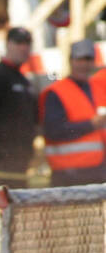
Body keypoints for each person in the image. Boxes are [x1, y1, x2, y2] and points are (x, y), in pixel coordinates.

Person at [38, 39, 106, 187]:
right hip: (68, 176)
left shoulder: (97, 89)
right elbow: (53, 131)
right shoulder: (57, 92)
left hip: (98, 172)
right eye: (79, 59)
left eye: (88, 59)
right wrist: (90, 125)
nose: (84, 64)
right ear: (71, 61)